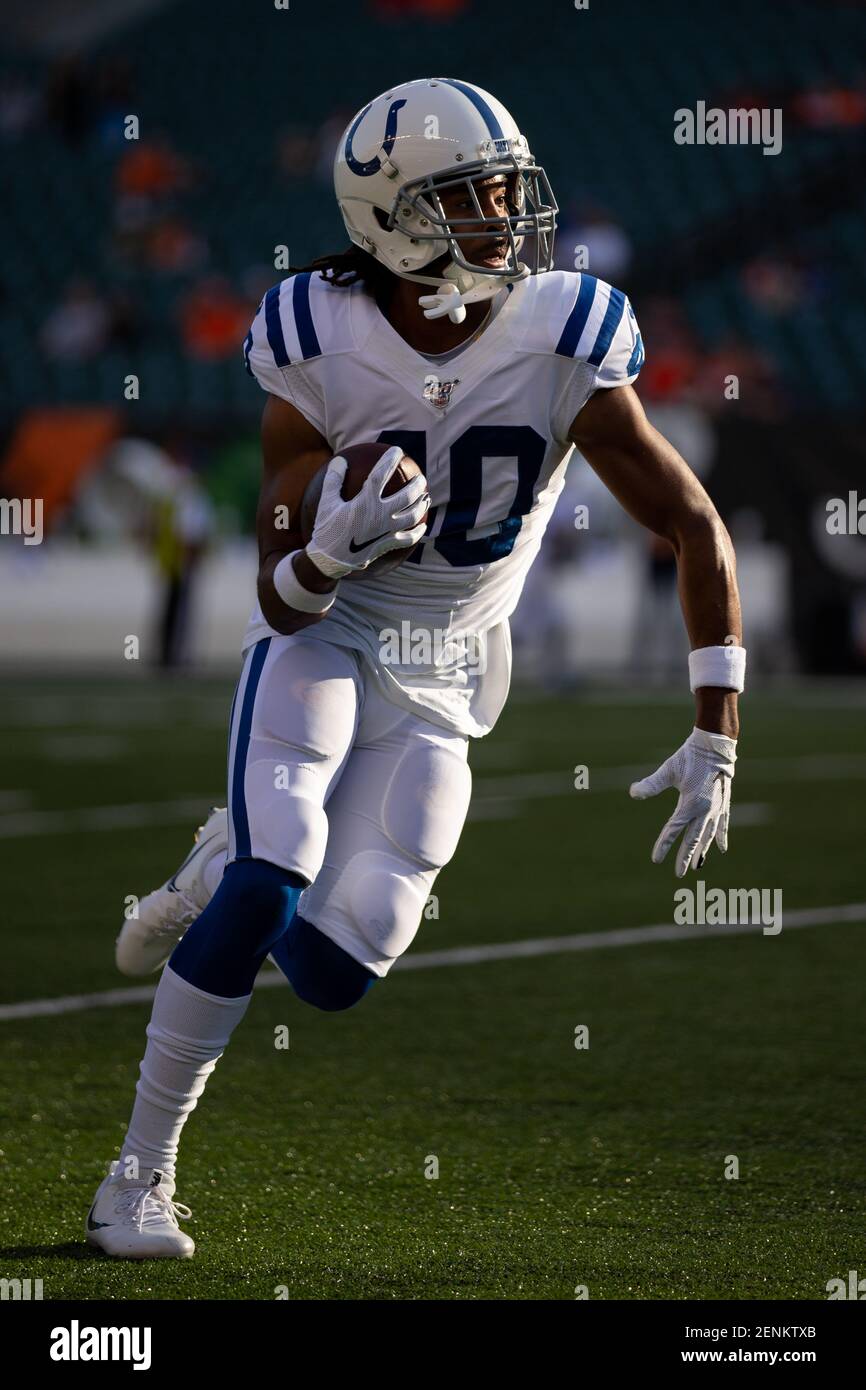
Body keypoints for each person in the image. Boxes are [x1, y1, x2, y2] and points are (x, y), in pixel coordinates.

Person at [88, 79, 744, 1259]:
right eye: (471, 195)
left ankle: (209, 858)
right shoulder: (313, 334)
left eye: (507, 187)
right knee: (270, 884)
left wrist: (715, 728)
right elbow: (275, 592)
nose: (506, 215)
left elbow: (691, 521)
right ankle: (137, 1177)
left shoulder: (561, 329)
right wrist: (327, 551)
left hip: (449, 670)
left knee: (338, 969)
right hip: (326, 637)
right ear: (391, 216)